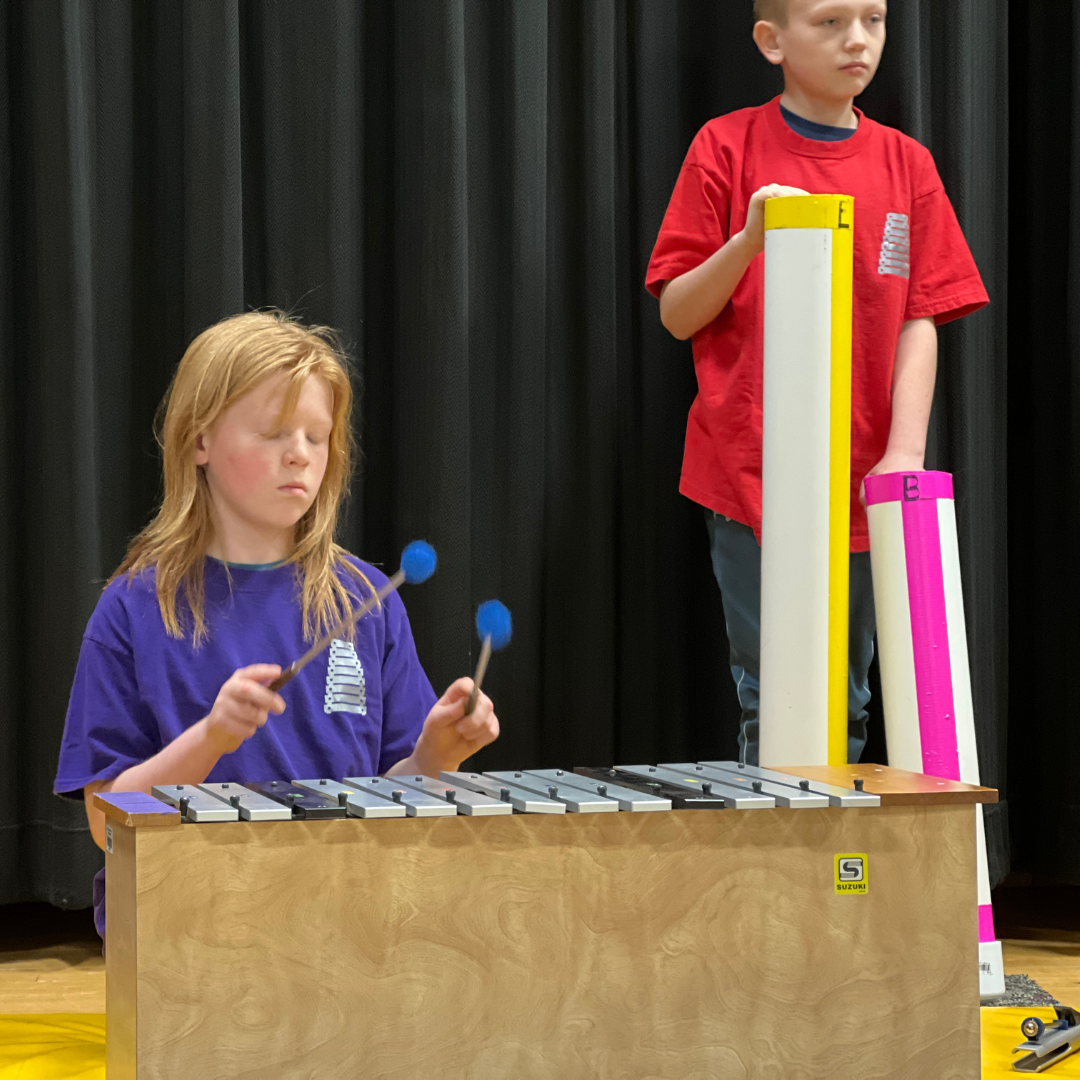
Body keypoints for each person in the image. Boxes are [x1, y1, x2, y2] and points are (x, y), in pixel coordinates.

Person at [53, 310, 500, 938]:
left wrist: (435, 754)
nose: (299, 455)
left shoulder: (365, 600)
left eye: (316, 438)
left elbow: (388, 799)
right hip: (185, 929)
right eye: (273, 432)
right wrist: (210, 737)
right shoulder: (134, 607)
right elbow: (107, 824)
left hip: (340, 923)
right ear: (200, 441)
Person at [646, 0, 988, 765]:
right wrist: (748, 241)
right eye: (830, 23)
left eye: (872, 19)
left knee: (850, 703)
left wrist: (903, 454)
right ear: (772, 41)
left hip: (863, 484)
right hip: (751, 478)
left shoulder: (907, 164)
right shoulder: (725, 147)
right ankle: (775, 881)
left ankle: (833, 882)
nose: (857, 40)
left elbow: (919, 317)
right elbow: (676, 311)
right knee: (777, 700)